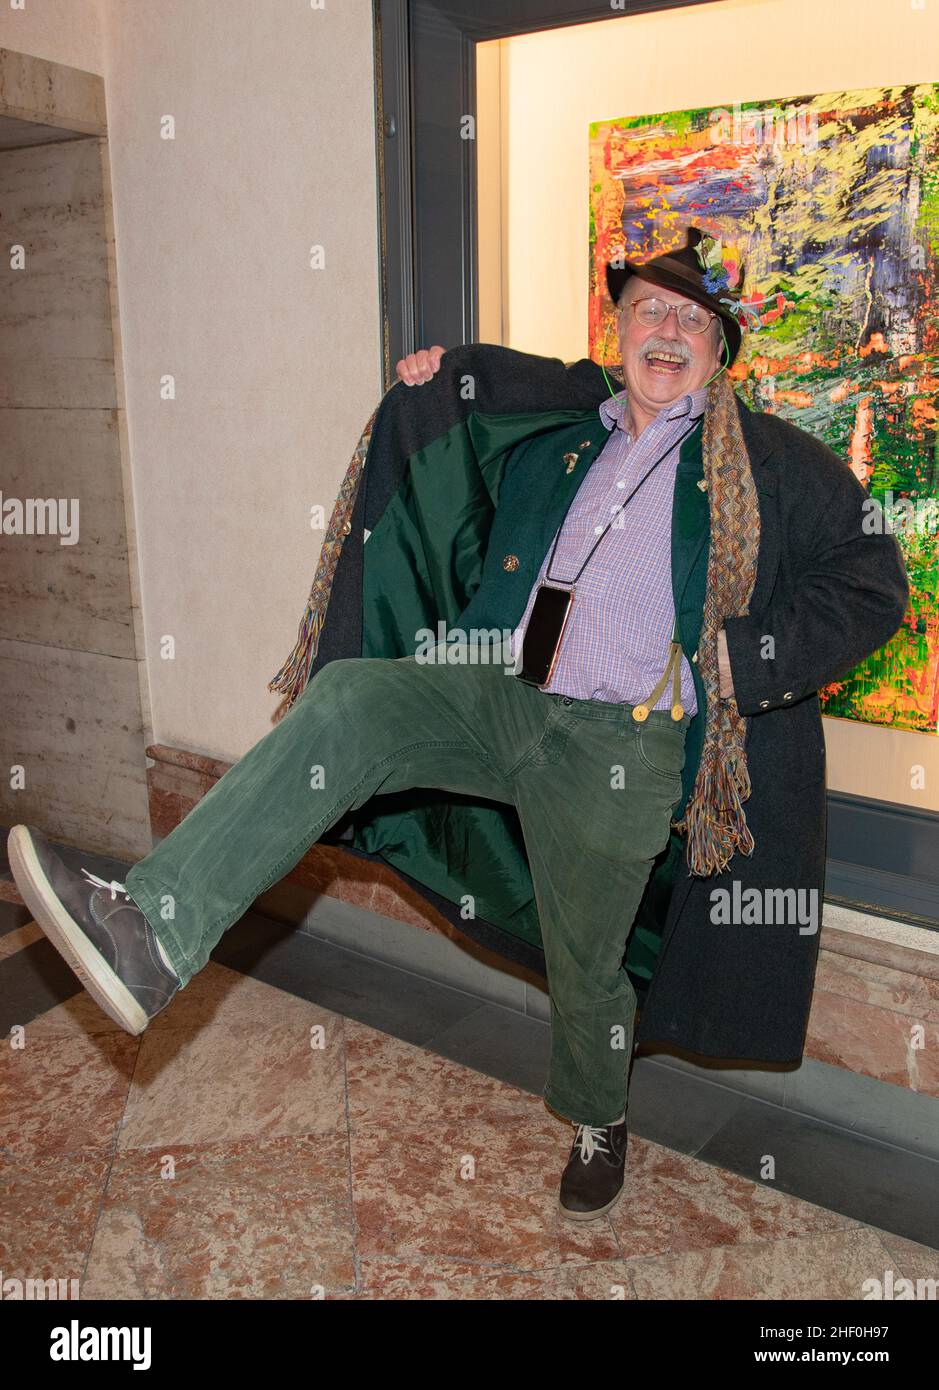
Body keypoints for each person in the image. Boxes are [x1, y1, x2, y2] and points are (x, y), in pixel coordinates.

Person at [7, 227, 909, 1222]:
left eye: (694, 319)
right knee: (350, 694)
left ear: (721, 350)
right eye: (650, 307)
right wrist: (442, 373)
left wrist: (741, 658)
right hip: (499, 689)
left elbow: (874, 577)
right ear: (616, 327)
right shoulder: (567, 420)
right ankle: (155, 931)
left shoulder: (766, 463)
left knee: (588, 962)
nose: (667, 330)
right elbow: (488, 387)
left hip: (625, 742)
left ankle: (596, 1112)